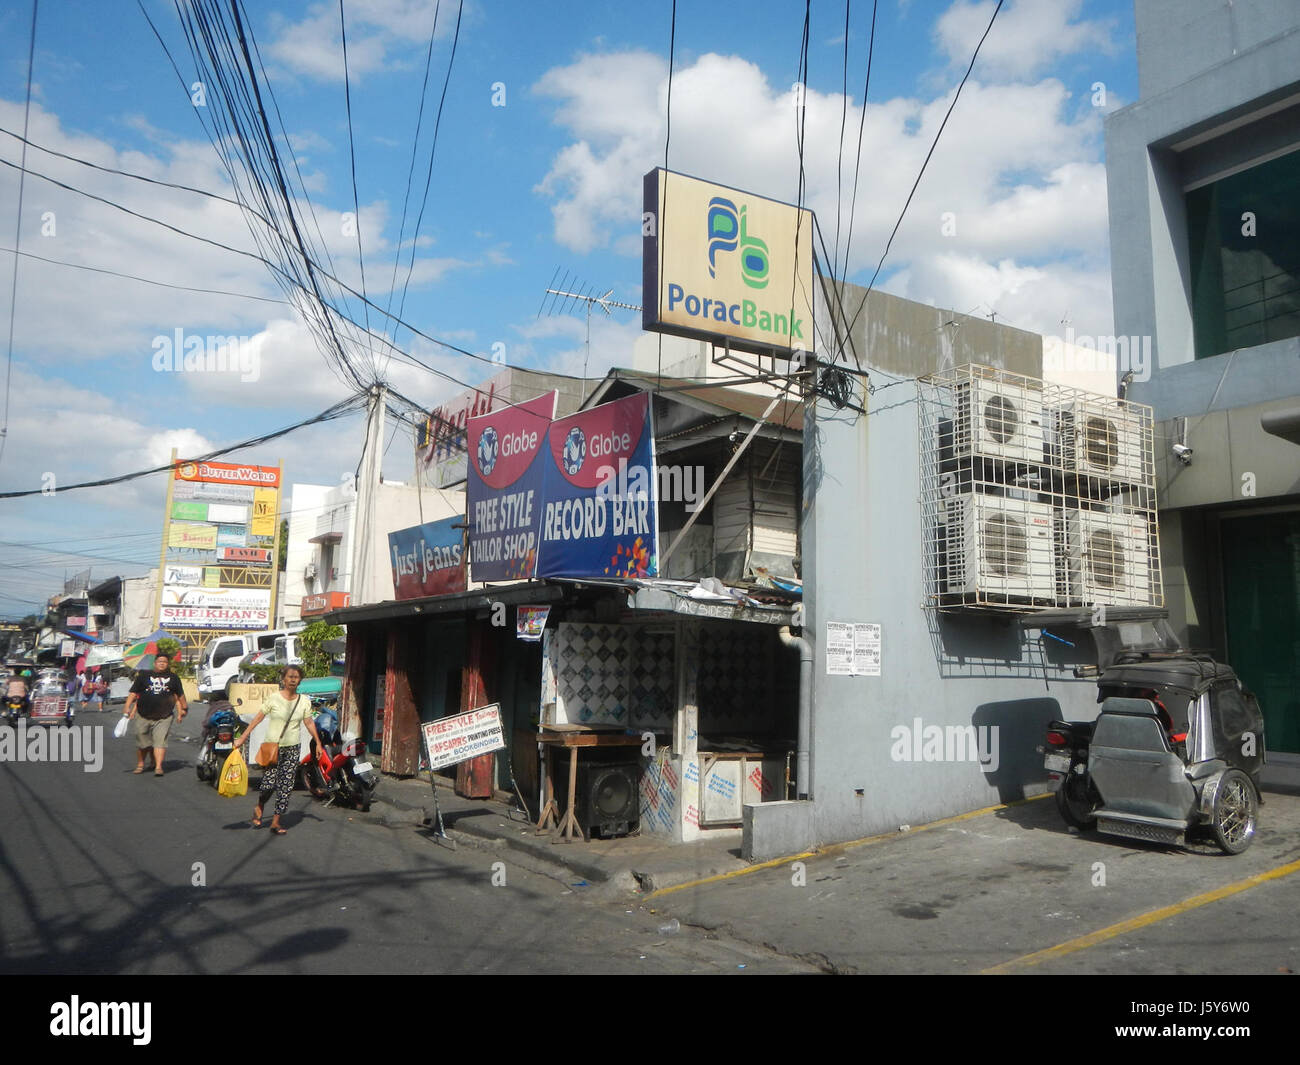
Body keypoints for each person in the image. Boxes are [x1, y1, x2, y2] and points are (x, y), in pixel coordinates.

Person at [233, 665, 327, 835]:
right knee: (268, 784)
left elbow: (309, 722)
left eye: (296, 677)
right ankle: (260, 804)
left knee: (286, 786)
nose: (292, 680)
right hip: (273, 748)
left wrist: (318, 743)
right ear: (284, 679)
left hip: (292, 748)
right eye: (290, 676)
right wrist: (242, 737)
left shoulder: (303, 701)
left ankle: (276, 822)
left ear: (299, 681)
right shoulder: (274, 698)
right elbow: (258, 718)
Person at [124, 652, 187, 777]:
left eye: (164, 662)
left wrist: (184, 708)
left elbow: (179, 695)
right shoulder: (143, 675)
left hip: (164, 716)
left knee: (160, 741)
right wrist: (127, 707)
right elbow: (133, 693)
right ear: (155, 663)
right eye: (160, 661)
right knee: (143, 742)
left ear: (168, 664)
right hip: (143, 715)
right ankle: (141, 763)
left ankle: (158, 767)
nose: (162, 663)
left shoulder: (174, 678)